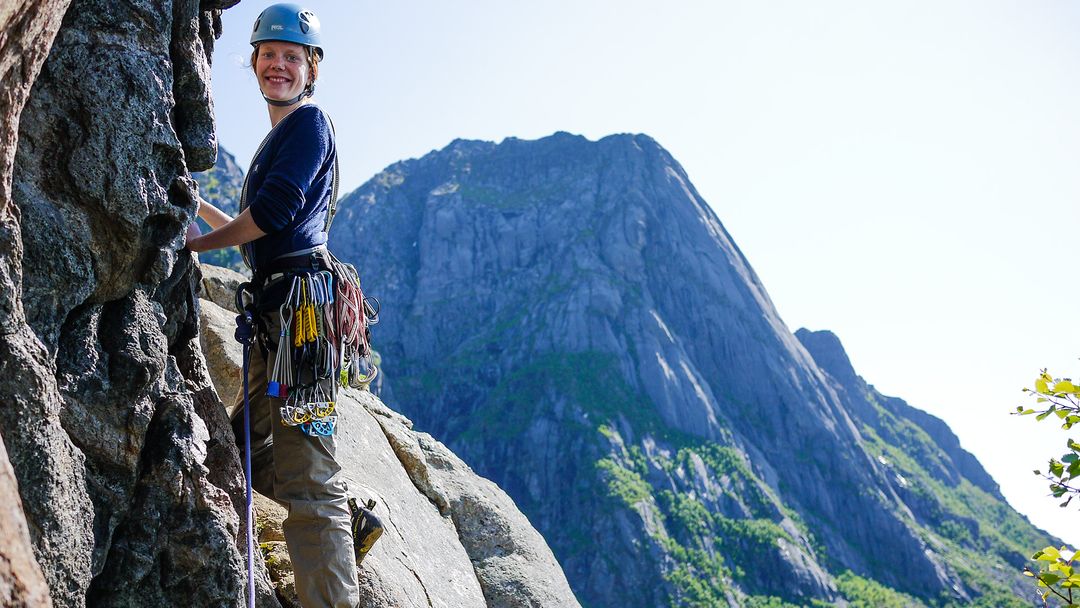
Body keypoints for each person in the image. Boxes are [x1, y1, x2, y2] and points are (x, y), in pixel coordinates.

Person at [187, 4, 378, 607]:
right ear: (254, 63)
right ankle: (349, 518)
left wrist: (193, 244)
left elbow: (269, 218)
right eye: (269, 55)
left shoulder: (309, 126)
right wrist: (194, 206)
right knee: (241, 447)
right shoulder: (282, 138)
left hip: (303, 320)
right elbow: (263, 233)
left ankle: (331, 576)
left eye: (292, 57)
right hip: (282, 320)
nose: (279, 65)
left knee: (306, 478)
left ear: (311, 70)